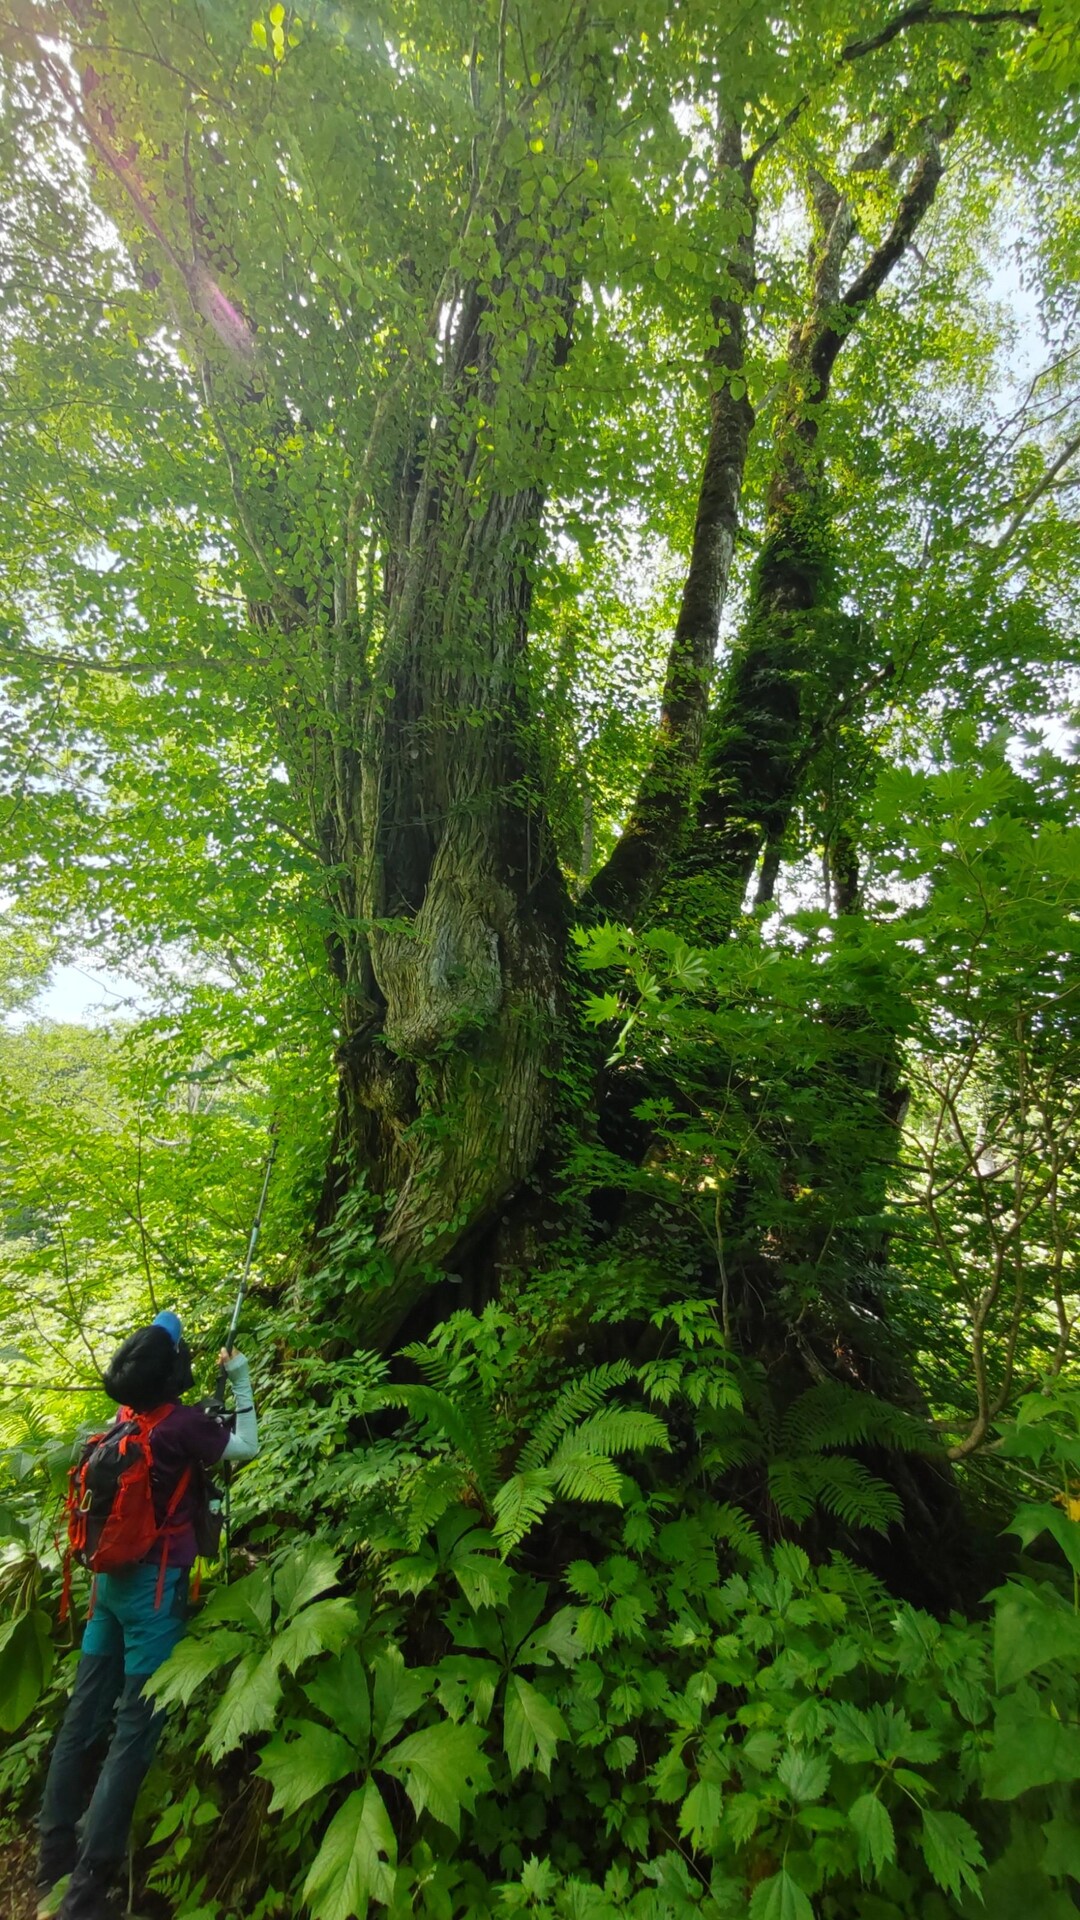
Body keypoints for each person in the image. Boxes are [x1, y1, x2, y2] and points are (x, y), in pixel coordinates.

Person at [36, 1311, 260, 1920]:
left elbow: (162, 1337)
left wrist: (168, 1329)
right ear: (171, 1376)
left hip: (107, 1584)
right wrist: (239, 1379)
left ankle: (52, 1858)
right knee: (134, 1735)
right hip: (155, 1592)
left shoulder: (126, 1419)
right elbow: (247, 1445)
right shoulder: (183, 1424)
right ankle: (86, 1893)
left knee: (83, 1719)